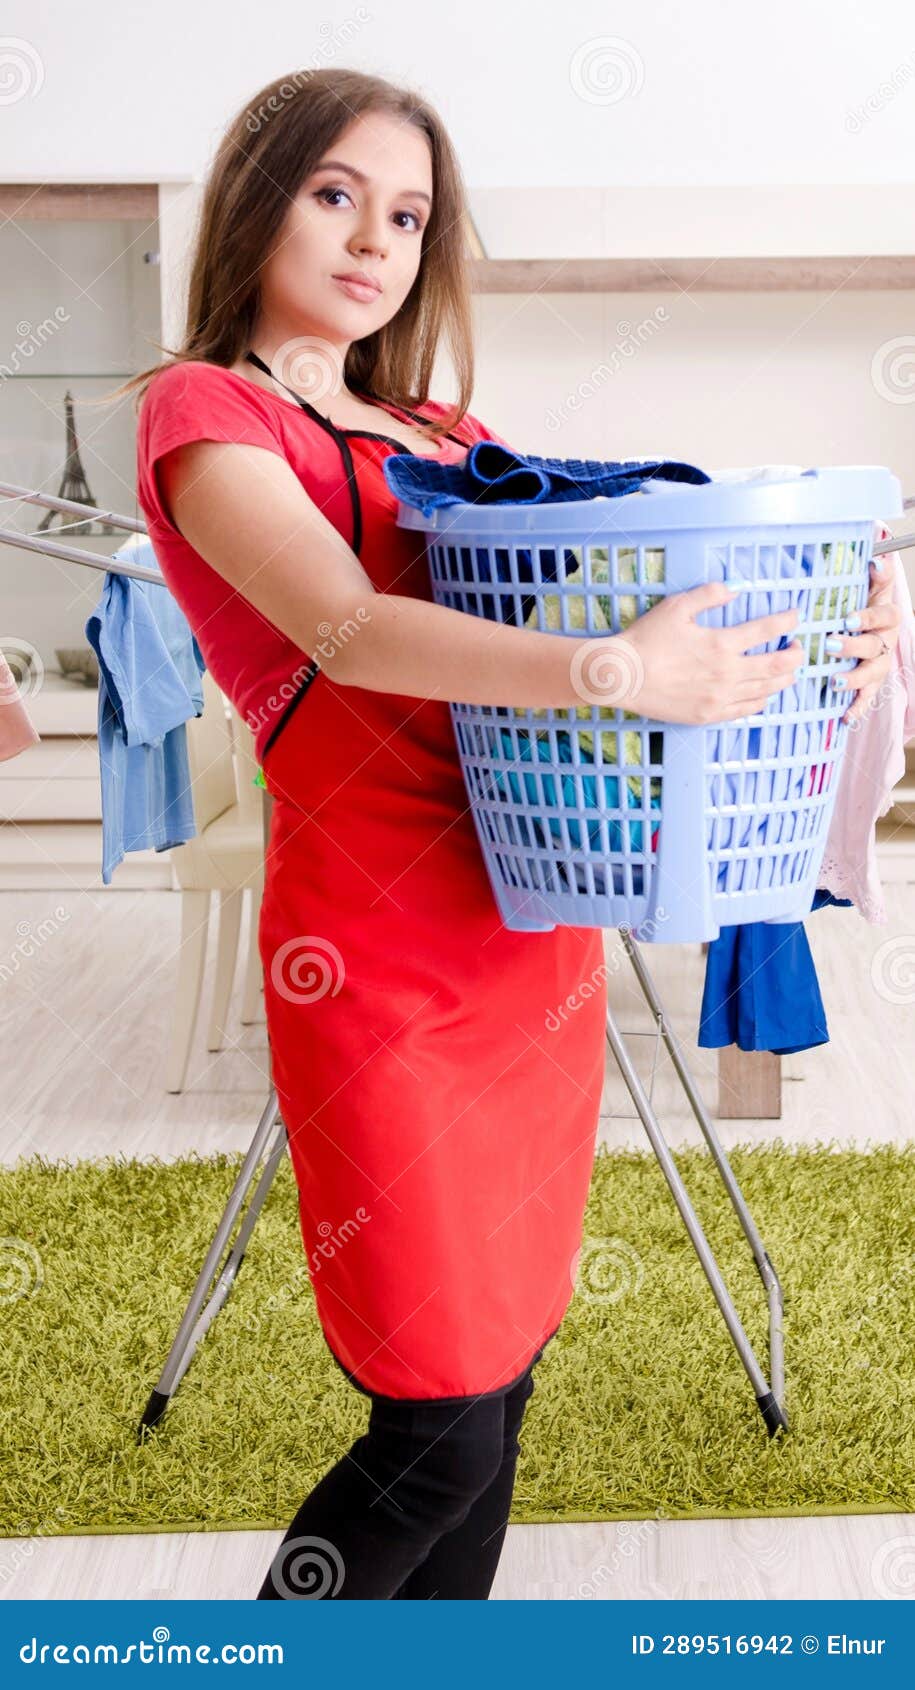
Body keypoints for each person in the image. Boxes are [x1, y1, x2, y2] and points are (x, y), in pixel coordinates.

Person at [119, 67, 899, 1599]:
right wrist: (622, 667)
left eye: (407, 215)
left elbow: (596, 583)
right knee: (438, 1425)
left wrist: (820, 619)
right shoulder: (203, 410)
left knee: (502, 1377)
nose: (372, 241)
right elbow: (345, 627)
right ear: (257, 196)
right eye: (336, 193)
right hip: (375, 960)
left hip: (524, 938)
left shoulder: (438, 426)